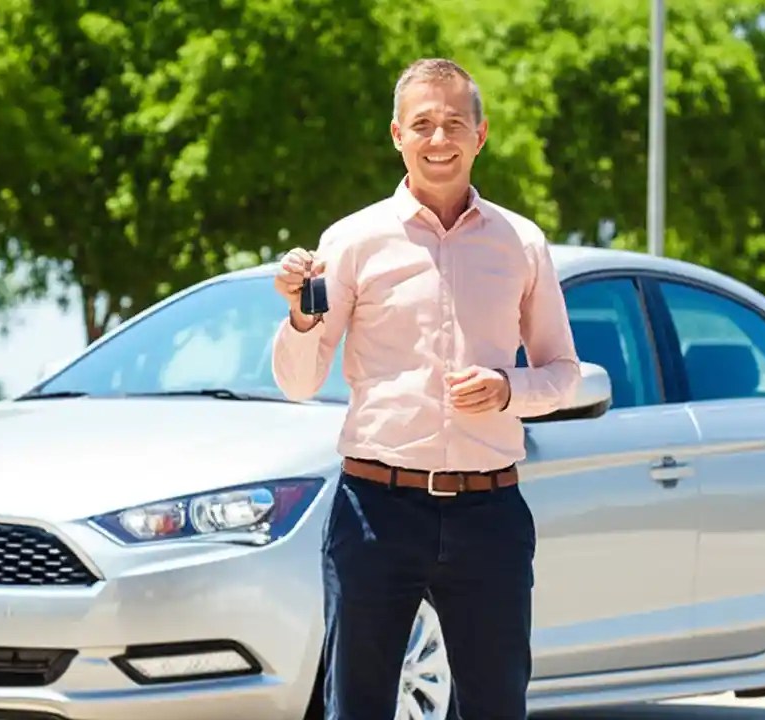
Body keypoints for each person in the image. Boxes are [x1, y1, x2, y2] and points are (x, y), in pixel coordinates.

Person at [271, 57, 580, 720]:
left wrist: (505, 389)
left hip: (489, 515)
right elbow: (299, 380)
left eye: (453, 123)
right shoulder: (351, 242)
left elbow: (564, 374)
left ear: (481, 134)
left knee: (496, 708)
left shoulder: (521, 243)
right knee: (357, 707)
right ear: (396, 136)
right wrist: (299, 316)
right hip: (375, 510)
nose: (438, 139)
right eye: (422, 125)